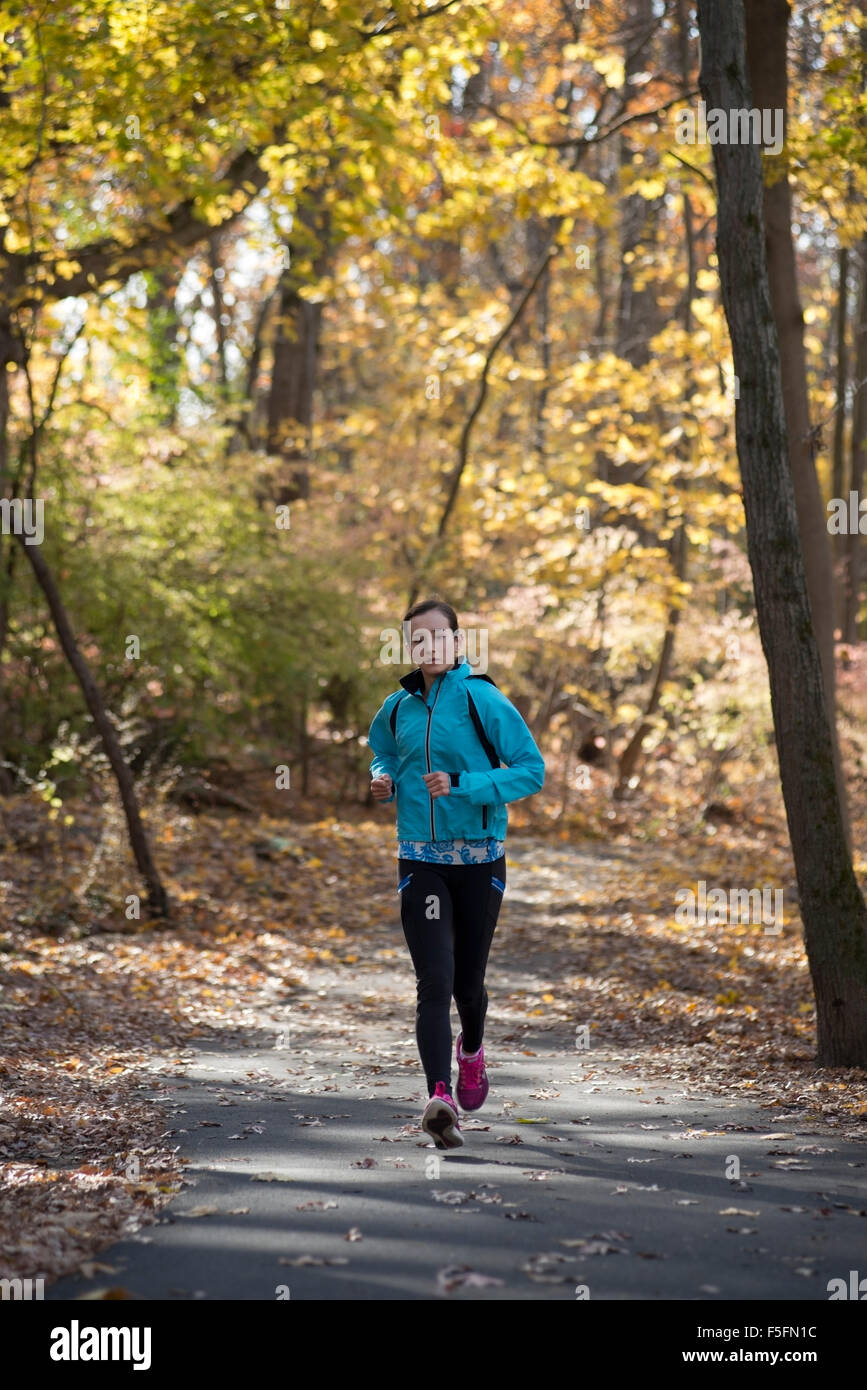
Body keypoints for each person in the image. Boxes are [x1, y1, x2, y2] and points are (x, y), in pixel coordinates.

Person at [367, 598, 546, 1149]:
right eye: (416, 639)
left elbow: (530, 771)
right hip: (419, 860)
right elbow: (382, 752)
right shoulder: (396, 708)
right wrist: (383, 779)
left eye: (437, 637)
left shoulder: (483, 699)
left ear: (457, 643)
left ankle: (471, 1051)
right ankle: (439, 1097)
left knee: (468, 986)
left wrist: (464, 786)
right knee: (434, 982)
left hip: (480, 862)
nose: (427, 648)